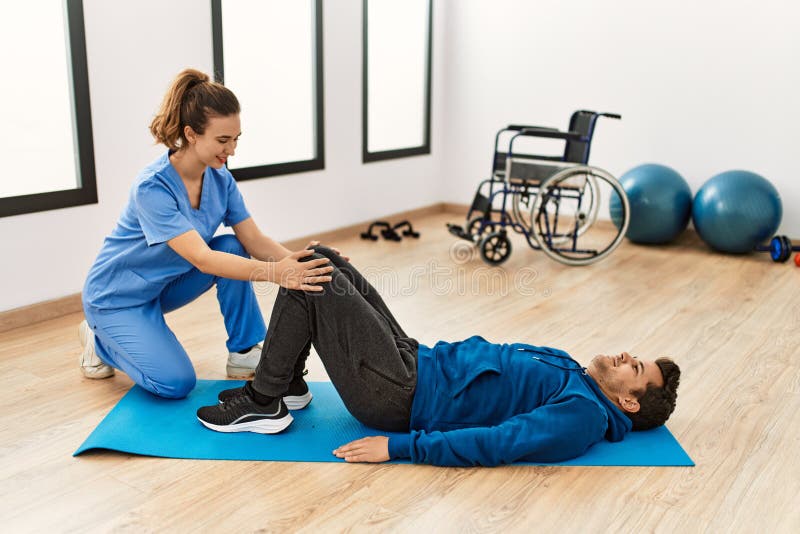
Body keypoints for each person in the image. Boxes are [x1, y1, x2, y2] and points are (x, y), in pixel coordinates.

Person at [196, 246, 681, 467]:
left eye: (633, 368)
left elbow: (500, 442)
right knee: (325, 259)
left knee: (307, 282)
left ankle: (265, 397)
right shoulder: (575, 374)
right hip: (414, 361)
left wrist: (401, 448)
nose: (625, 356)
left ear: (630, 403)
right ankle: (291, 384)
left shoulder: (583, 417)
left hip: (399, 396)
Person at [79, 68, 337, 399]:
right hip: (116, 298)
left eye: (236, 139)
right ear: (191, 134)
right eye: (222, 140)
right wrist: (278, 274)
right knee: (175, 384)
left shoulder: (220, 179)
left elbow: (254, 241)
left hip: (161, 288)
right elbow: (201, 258)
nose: (231, 150)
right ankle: (98, 340)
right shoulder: (152, 187)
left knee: (231, 245)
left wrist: (307, 262)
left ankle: (243, 351)